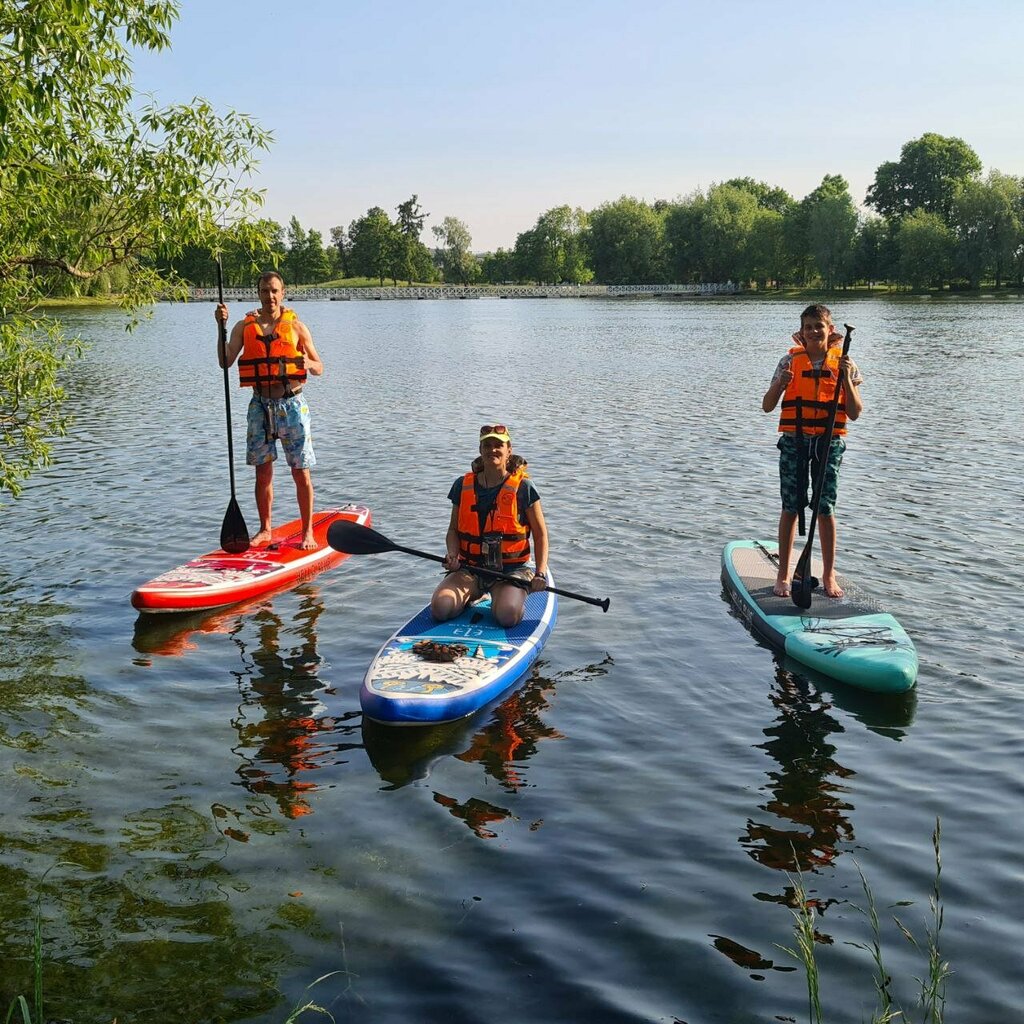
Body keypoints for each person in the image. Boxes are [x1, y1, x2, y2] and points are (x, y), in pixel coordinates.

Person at [215, 271, 324, 550]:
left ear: (282, 292)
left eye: (274, 290)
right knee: (262, 473)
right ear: (259, 293)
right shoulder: (243, 326)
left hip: (292, 406)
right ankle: (265, 529)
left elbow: (319, 366)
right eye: (264, 291)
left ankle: (307, 531)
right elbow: (225, 361)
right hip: (260, 406)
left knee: (301, 472)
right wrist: (221, 327)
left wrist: (305, 363)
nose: (270, 296)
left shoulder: (297, 327)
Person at [761, 304, 863, 599]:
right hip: (794, 439)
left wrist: (845, 379)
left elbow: (855, 412)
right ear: (801, 333)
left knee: (825, 508)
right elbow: (767, 406)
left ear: (830, 330)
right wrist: (781, 384)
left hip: (828, 442)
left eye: (819, 326)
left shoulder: (845, 362)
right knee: (791, 506)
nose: (814, 331)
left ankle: (829, 574)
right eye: (808, 327)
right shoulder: (788, 362)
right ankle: (783, 575)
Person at [430, 424, 550, 628]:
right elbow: (453, 530)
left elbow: (540, 536)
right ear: (480, 450)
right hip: (470, 568)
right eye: (487, 445)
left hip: (511, 571)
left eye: (498, 445)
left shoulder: (524, 488)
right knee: (440, 608)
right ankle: (471, 596)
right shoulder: (462, 485)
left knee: (507, 615)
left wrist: (540, 573)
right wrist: (453, 554)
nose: (492, 450)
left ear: (508, 450)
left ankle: (513, 596)